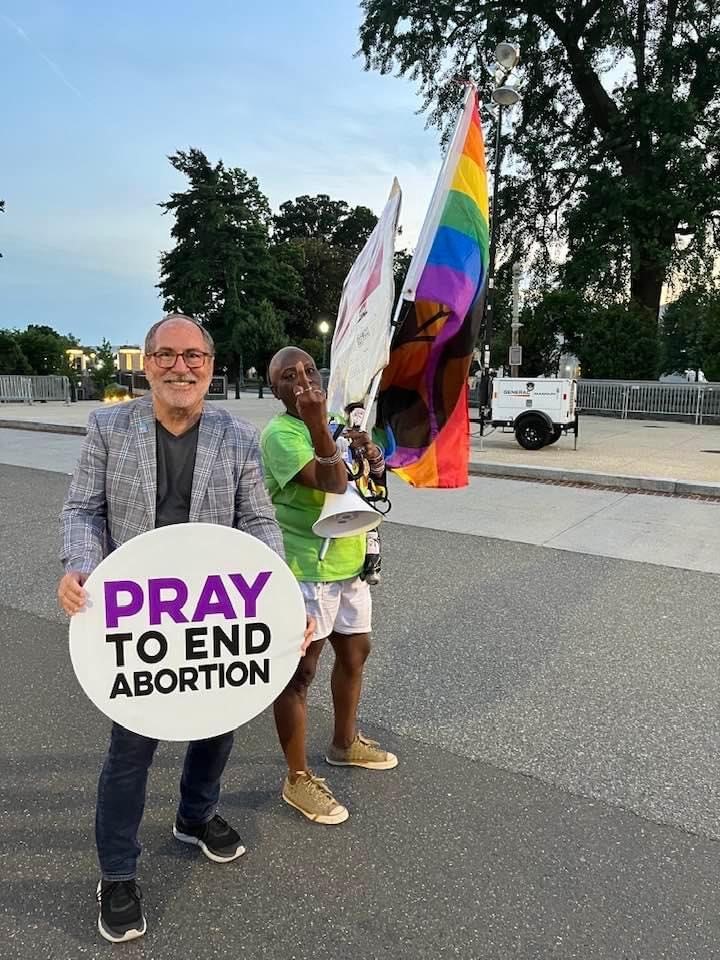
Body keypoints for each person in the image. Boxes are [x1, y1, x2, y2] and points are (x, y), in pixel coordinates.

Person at [58, 314, 312, 943]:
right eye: (166, 355)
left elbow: (258, 520)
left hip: (215, 611)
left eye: (193, 356)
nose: (181, 367)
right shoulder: (109, 426)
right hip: (139, 618)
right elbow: (84, 509)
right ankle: (117, 873)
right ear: (146, 364)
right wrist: (80, 567)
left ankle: (195, 817)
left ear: (210, 363)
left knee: (220, 720)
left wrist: (285, 595)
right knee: (132, 747)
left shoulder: (236, 435)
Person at [261, 346, 397, 827]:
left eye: (307, 370)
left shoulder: (334, 421)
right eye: (287, 376)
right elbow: (333, 483)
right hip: (306, 569)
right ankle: (297, 778)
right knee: (300, 673)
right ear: (273, 387)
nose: (300, 380)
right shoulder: (281, 434)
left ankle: (344, 743)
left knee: (356, 652)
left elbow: (362, 480)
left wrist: (366, 450)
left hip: (349, 559)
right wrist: (319, 423)